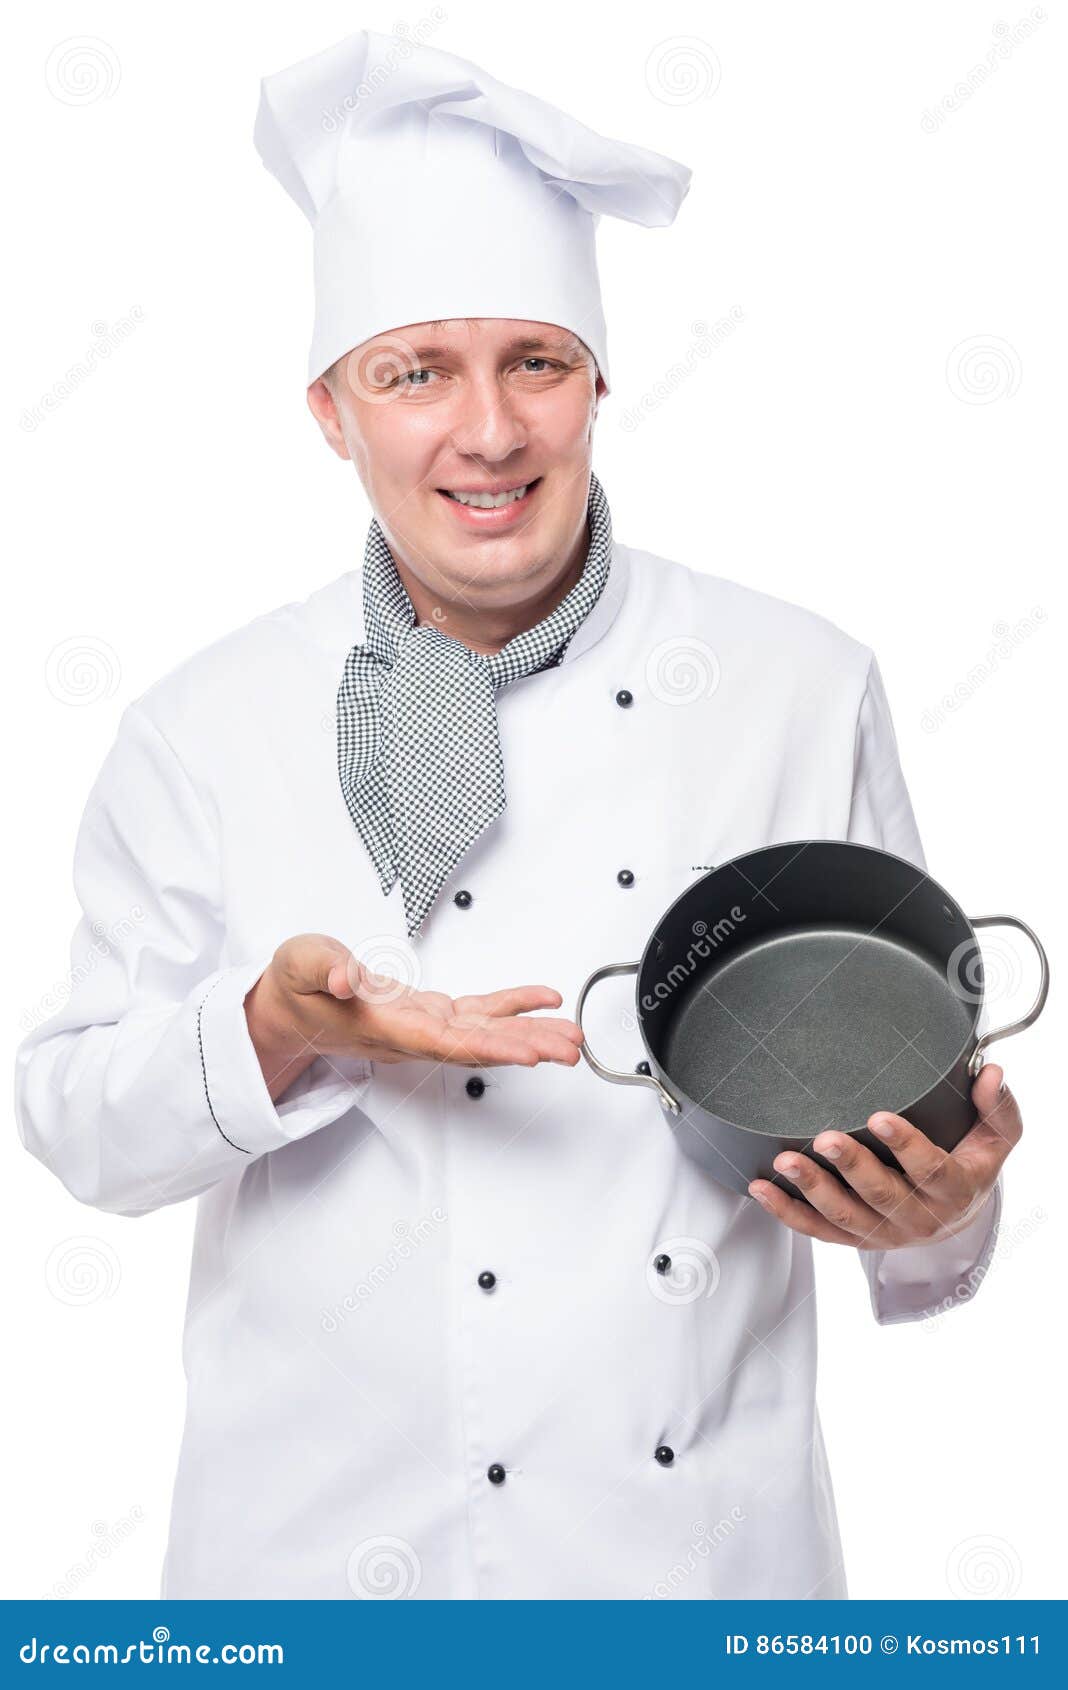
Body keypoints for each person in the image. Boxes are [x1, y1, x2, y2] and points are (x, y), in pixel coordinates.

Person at [15, 30, 1019, 1601]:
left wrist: (944, 1208)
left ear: (601, 382)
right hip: (313, 1577)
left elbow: (899, 1122)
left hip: (699, 1578)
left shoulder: (796, 684)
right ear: (331, 410)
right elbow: (78, 1126)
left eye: (534, 362)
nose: (487, 434)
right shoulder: (204, 727)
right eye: (416, 372)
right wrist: (282, 1028)